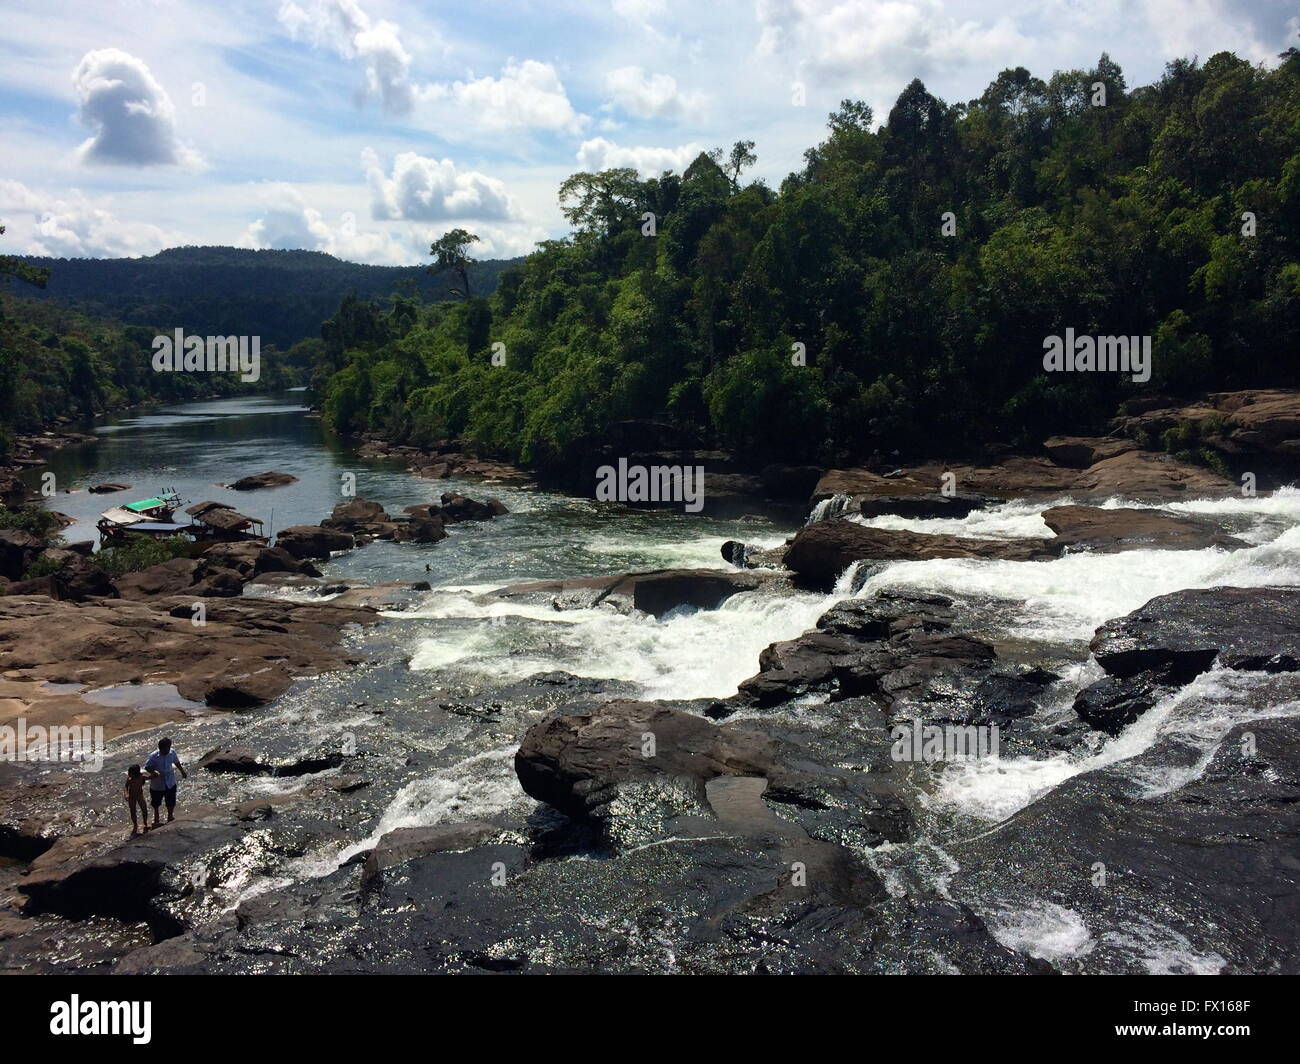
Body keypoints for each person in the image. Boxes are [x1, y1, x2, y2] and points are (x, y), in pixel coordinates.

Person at [143, 737, 187, 827]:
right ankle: (156, 818)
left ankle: (170, 816)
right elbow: (147, 766)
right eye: (166, 748)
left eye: (169, 747)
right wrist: (153, 772)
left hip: (170, 781)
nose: (168, 749)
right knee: (156, 803)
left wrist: (182, 771)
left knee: (171, 801)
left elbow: (176, 762)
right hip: (157, 784)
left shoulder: (172, 752)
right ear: (160, 748)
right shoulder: (154, 756)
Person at [124, 765, 148, 835]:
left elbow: (150, 777)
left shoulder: (142, 777)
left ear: (136, 773)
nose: (129, 774)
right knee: (133, 811)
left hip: (140, 795)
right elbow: (126, 786)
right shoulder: (129, 779)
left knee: (144, 809)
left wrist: (155, 773)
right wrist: (126, 794)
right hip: (131, 797)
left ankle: (145, 823)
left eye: (130, 772)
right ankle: (135, 825)